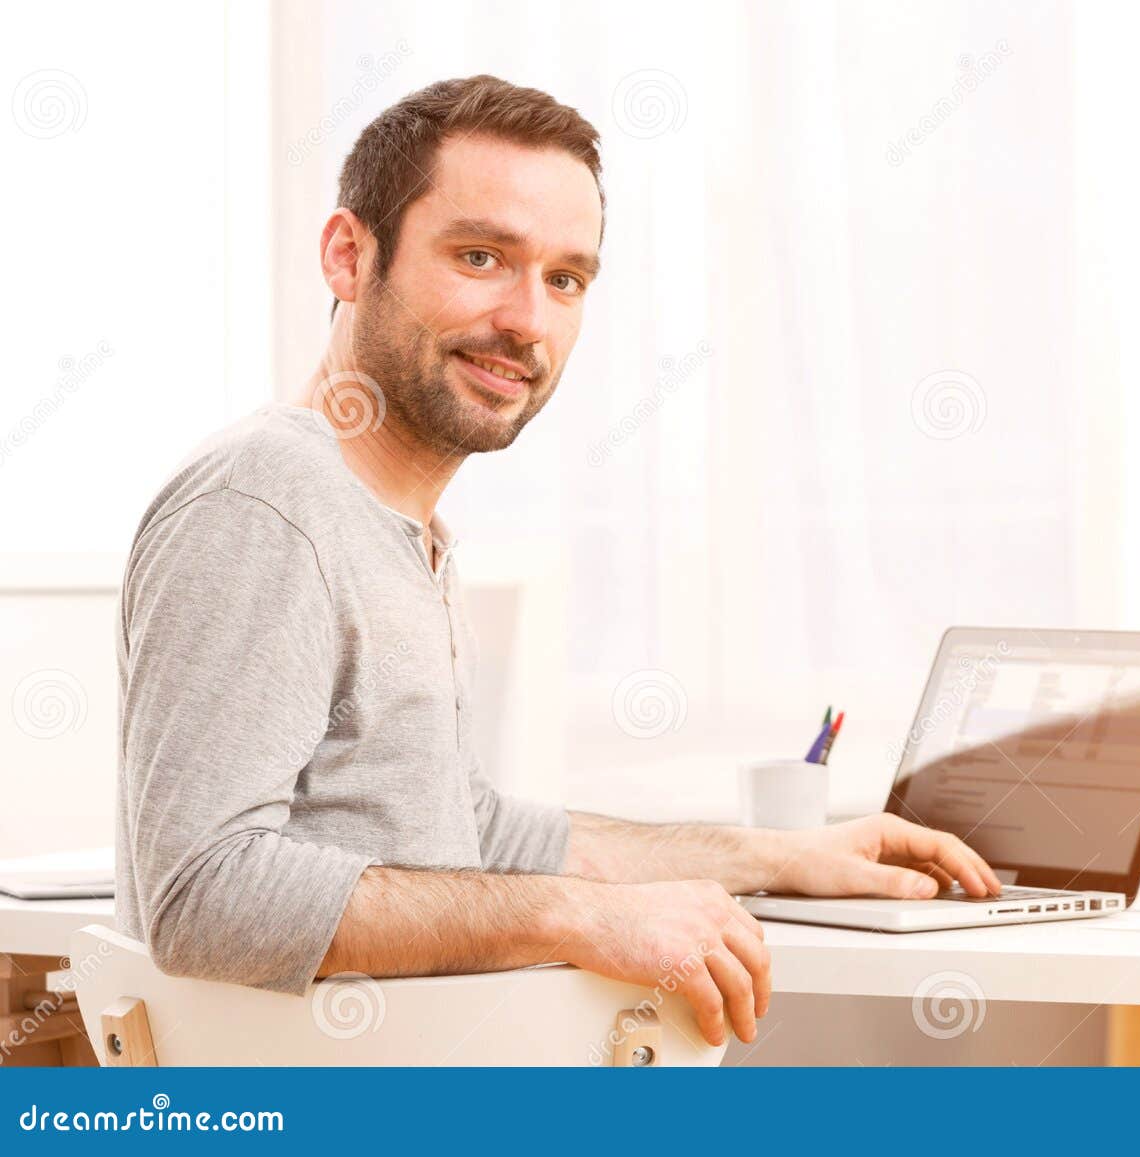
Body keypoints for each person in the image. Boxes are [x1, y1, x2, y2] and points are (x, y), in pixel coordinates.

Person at [115, 74, 1000, 1049]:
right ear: (348, 255)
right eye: (481, 255)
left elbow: (467, 832)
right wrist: (573, 914)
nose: (528, 320)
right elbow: (202, 893)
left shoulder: (396, 525)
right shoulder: (265, 506)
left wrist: (778, 854)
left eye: (565, 278)